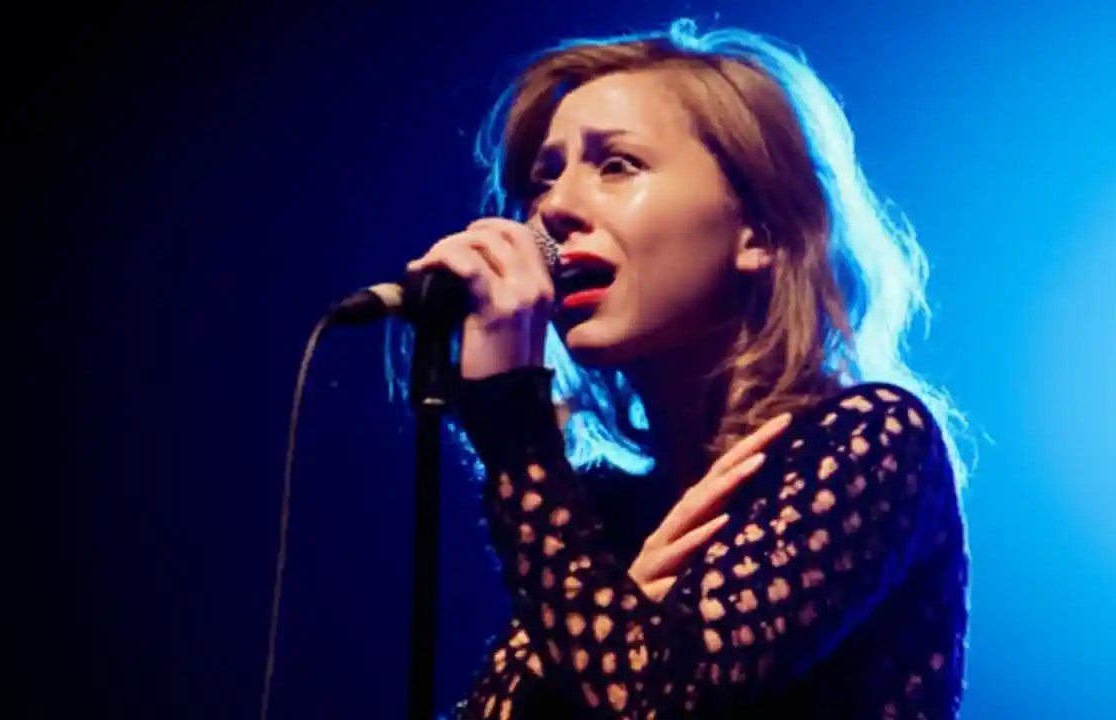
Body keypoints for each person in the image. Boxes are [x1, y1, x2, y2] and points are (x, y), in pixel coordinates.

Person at [396, 18, 970, 719]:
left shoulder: (871, 442)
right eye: (545, 178)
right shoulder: (600, 516)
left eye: (616, 166)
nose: (553, 209)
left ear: (756, 230)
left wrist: (514, 430)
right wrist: (617, 607)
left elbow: (656, 700)